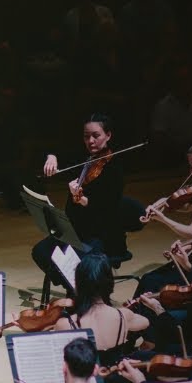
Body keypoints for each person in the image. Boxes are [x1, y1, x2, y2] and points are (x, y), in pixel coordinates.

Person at [34, 114, 128, 290]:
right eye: (86, 136)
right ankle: (77, 289)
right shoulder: (85, 157)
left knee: (74, 259)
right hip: (76, 231)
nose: (90, 141)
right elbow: (58, 148)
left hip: (103, 235)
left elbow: (109, 210)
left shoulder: (115, 168)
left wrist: (84, 200)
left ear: (108, 135)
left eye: (96, 135)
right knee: (41, 251)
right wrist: (52, 156)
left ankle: (82, 292)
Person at [51, 254, 148, 363]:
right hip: (116, 376)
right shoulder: (124, 316)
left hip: (86, 379)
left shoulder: (65, 325)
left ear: (78, 285)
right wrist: (123, 310)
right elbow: (145, 322)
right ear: (110, 284)